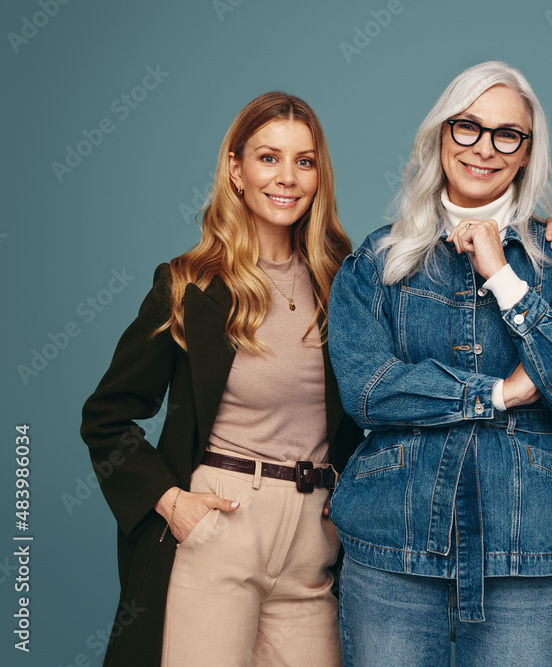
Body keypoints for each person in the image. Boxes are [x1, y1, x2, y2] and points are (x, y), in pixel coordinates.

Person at [326, 61, 552, 666]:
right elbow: (367, 392)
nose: (484, 148)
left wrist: (505, 279)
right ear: (440, 133)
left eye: (506, 134)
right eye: (467, 127)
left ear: (525, 153)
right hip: (393, 543)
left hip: (524, 546)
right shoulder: (376, 263)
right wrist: (498, 393)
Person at [80, 92, 365, 667]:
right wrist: (171, 503)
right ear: (235, 169)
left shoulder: (348, 283)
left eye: (304, 161)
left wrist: (547, 236)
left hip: (315, 539)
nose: (287, 178)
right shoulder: (189, 285)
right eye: (268, 158)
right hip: (222, 526)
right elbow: (106, 417)